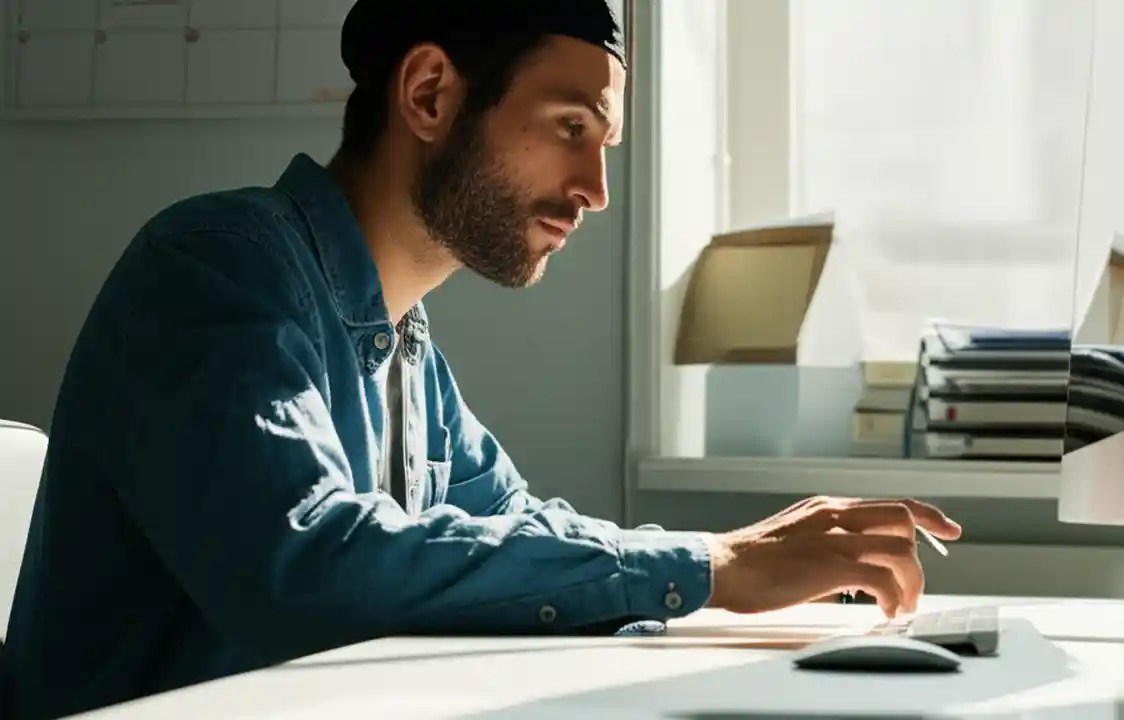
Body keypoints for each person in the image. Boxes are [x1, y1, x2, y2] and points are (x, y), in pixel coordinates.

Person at [2, 1, 962, 718]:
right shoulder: (217, 267)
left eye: (606, 145)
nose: (595, 190)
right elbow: (306, 568)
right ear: (430, 94)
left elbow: (514, 530)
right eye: (571, 129)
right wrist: (710, 564)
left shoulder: (406, 343)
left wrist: (753, 570)